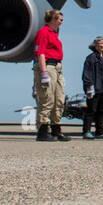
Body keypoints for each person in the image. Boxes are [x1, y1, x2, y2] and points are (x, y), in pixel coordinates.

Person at [33, 9, 68, 142]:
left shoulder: (54, 34)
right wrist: (43, 73)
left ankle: (56, 129)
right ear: (52, 19)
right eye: (60, 19)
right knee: (47, 98)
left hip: (57, 67)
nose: (61, 22)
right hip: (47, 66)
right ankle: (42, 131)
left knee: (59, 99)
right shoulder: (43, 32)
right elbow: (40, 52)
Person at [82, 37, 103, 140]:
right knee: (91, 109)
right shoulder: (91, 58)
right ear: (94, 45)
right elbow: (87, 72)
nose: (101, 45)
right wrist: (89, 86)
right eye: (99, 43)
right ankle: (87, 131)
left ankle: (99, 132)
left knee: (102, 110)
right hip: (94, 88)